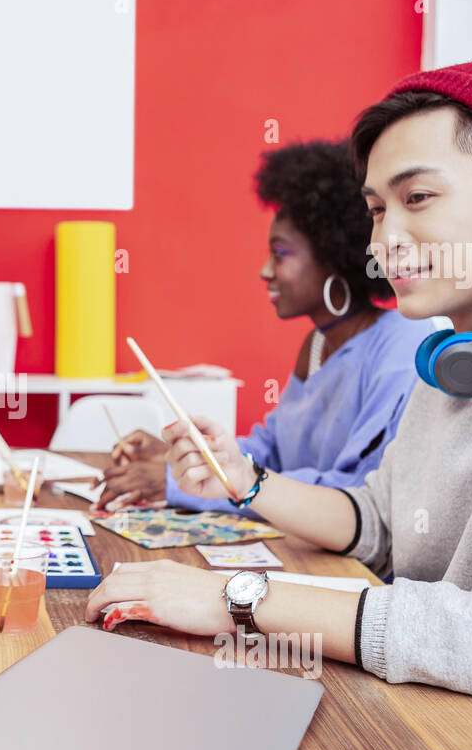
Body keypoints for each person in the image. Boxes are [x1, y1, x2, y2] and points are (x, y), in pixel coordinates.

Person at [86, 62, 472, 750]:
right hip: (449, 719)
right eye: (376, 210)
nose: (386, 241)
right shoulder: (456, 354)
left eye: (419, 197)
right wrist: (245, 481)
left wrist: (237, 599)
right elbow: (379, 523)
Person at [96, 140, 434, 513]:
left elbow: (355, 491)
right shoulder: (318, 344)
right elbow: (271, 450)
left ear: (333, 256)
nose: (265, 270)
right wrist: (187, 458)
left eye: (281, 253)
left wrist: (180, 486)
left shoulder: (405, 344)